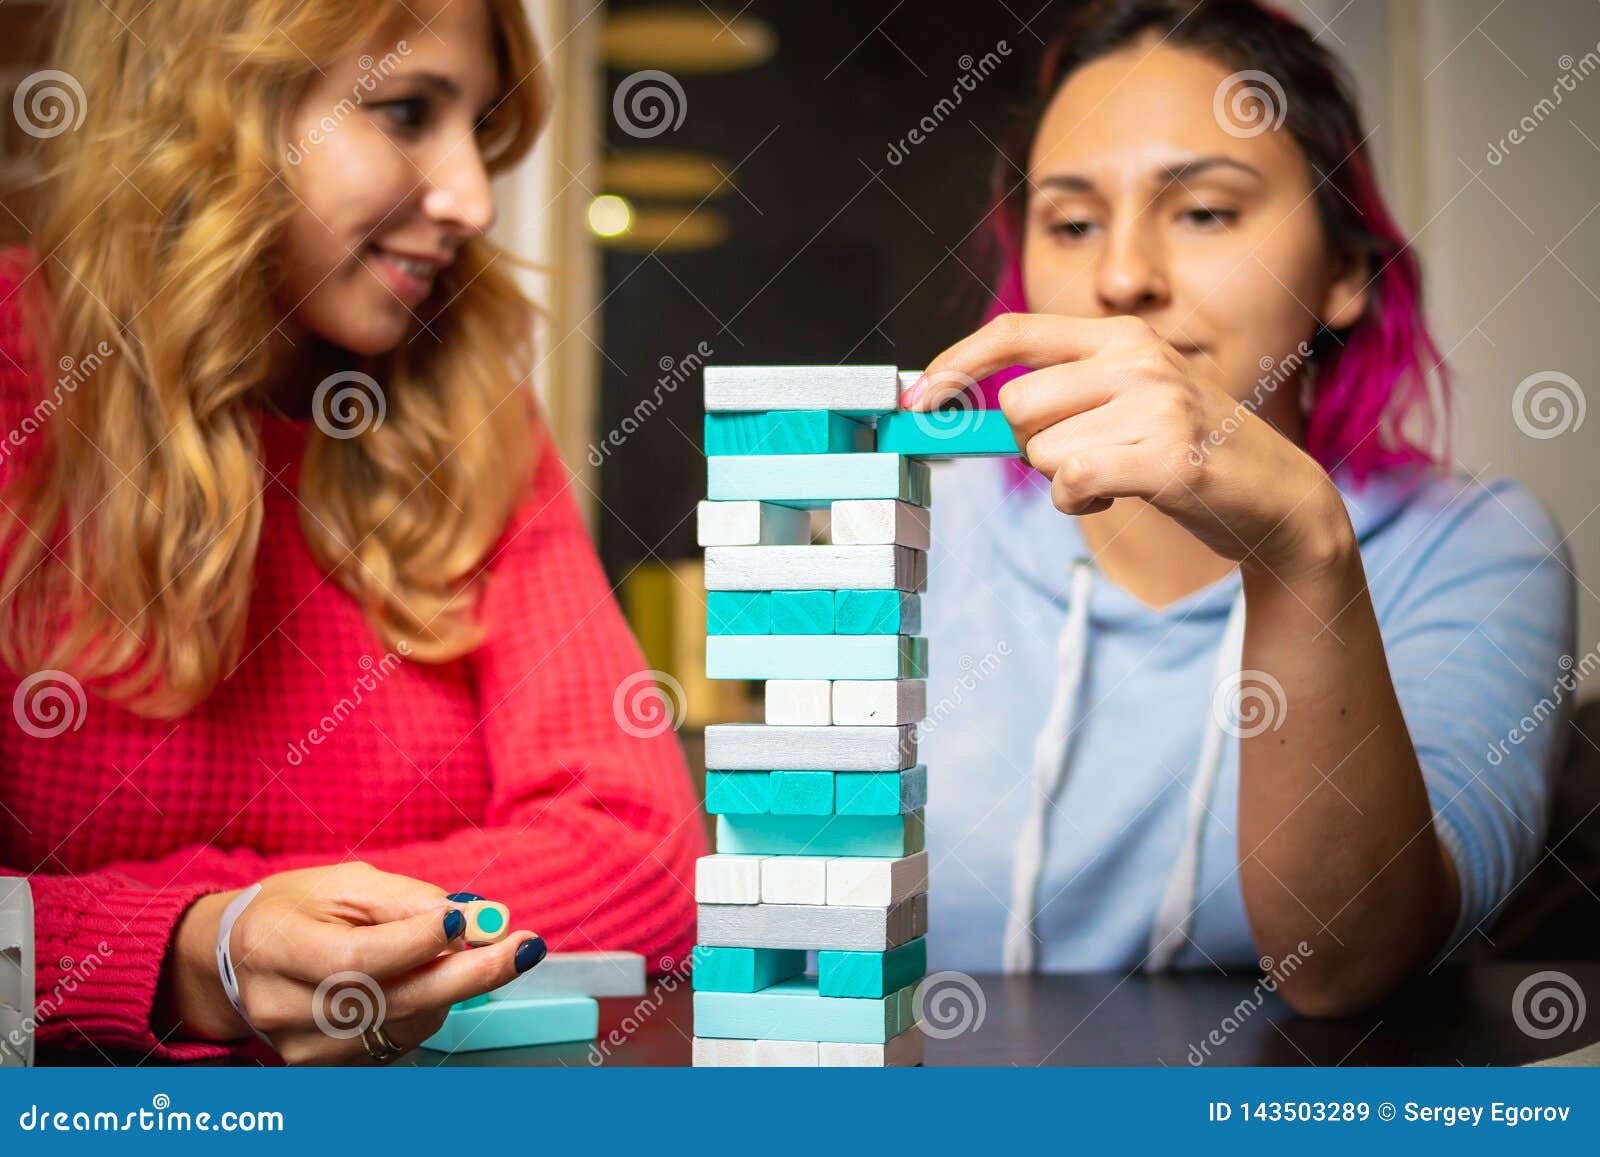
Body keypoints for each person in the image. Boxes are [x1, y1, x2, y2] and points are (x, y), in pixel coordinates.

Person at [0, 0, 703, 1063]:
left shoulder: (472, 412)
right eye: (407, 111)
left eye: (479, 126)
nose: (472, 199)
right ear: (212, 104)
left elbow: (641, 856)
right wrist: (196, 947)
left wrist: (230, 932)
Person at [909, 0, 1575, 1014]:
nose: (1122, 278)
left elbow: (1349, 963)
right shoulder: (913, 530)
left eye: (1205, 212)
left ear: (1343, 270)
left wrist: (1304, 549)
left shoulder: (1476, 546)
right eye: (1073, 223)